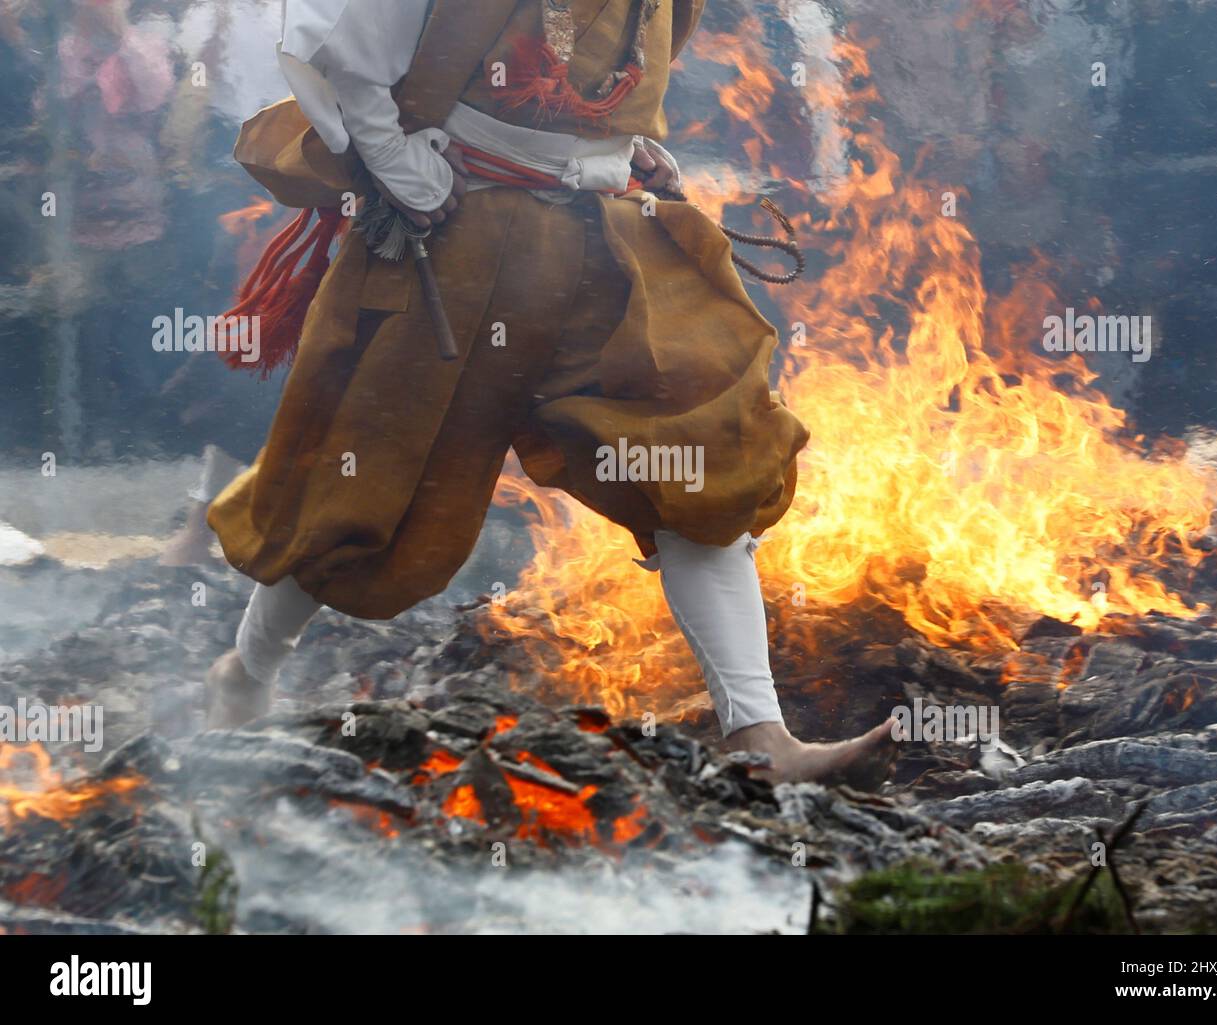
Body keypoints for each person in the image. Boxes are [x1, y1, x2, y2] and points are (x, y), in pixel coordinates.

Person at [204, 0, 898, 786]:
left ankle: (760, 737)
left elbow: (592, 69)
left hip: (602, 243)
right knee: (359, 493)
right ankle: (247, 674)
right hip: (458, 238)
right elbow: (351, 57)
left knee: (695, 467)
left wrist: (625, 152)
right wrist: (401, 169)